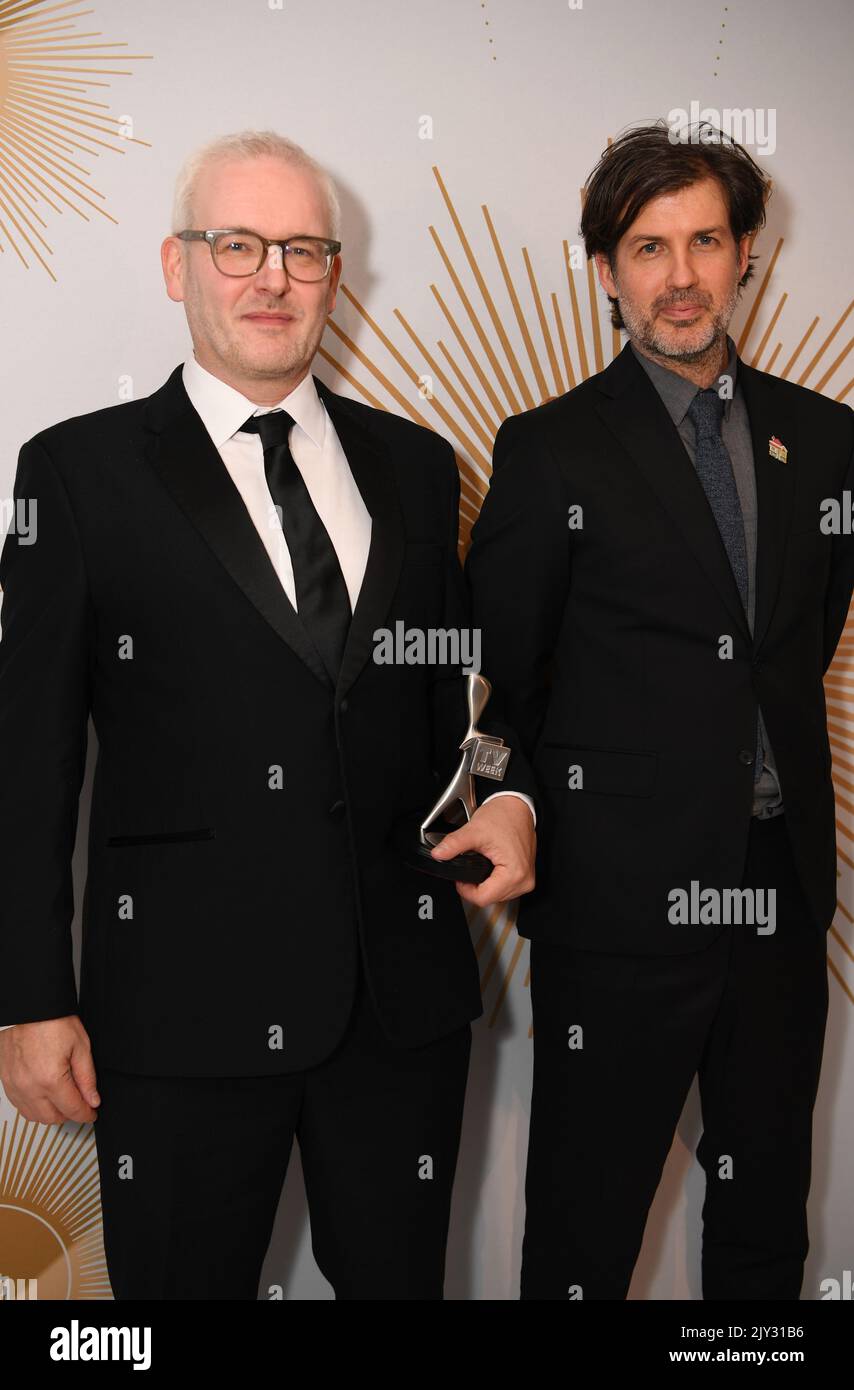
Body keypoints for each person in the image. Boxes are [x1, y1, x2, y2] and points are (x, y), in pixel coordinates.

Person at [0, 129, 536, 1300]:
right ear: (174, 263)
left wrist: (504, 797)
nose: (269, 276)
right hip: (179, 1015)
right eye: (235, 243)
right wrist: (29, 996)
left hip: (398, 1010)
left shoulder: (418, 467)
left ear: (334, 273)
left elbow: (463, 691)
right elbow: (26, 760)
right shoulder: (76, 475)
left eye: (300, 248)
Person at [465, 120, 854, 1300]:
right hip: (616, 908)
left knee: (762, 1228)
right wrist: (517, 804)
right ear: (605, 270)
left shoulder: (828, 442)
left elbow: (790, 654)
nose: (677, 276)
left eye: (702, 241)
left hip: (778, 895)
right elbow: (501, 680)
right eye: (646, 246)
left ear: (745, 254)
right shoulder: (547, 452)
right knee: (584, 1233)